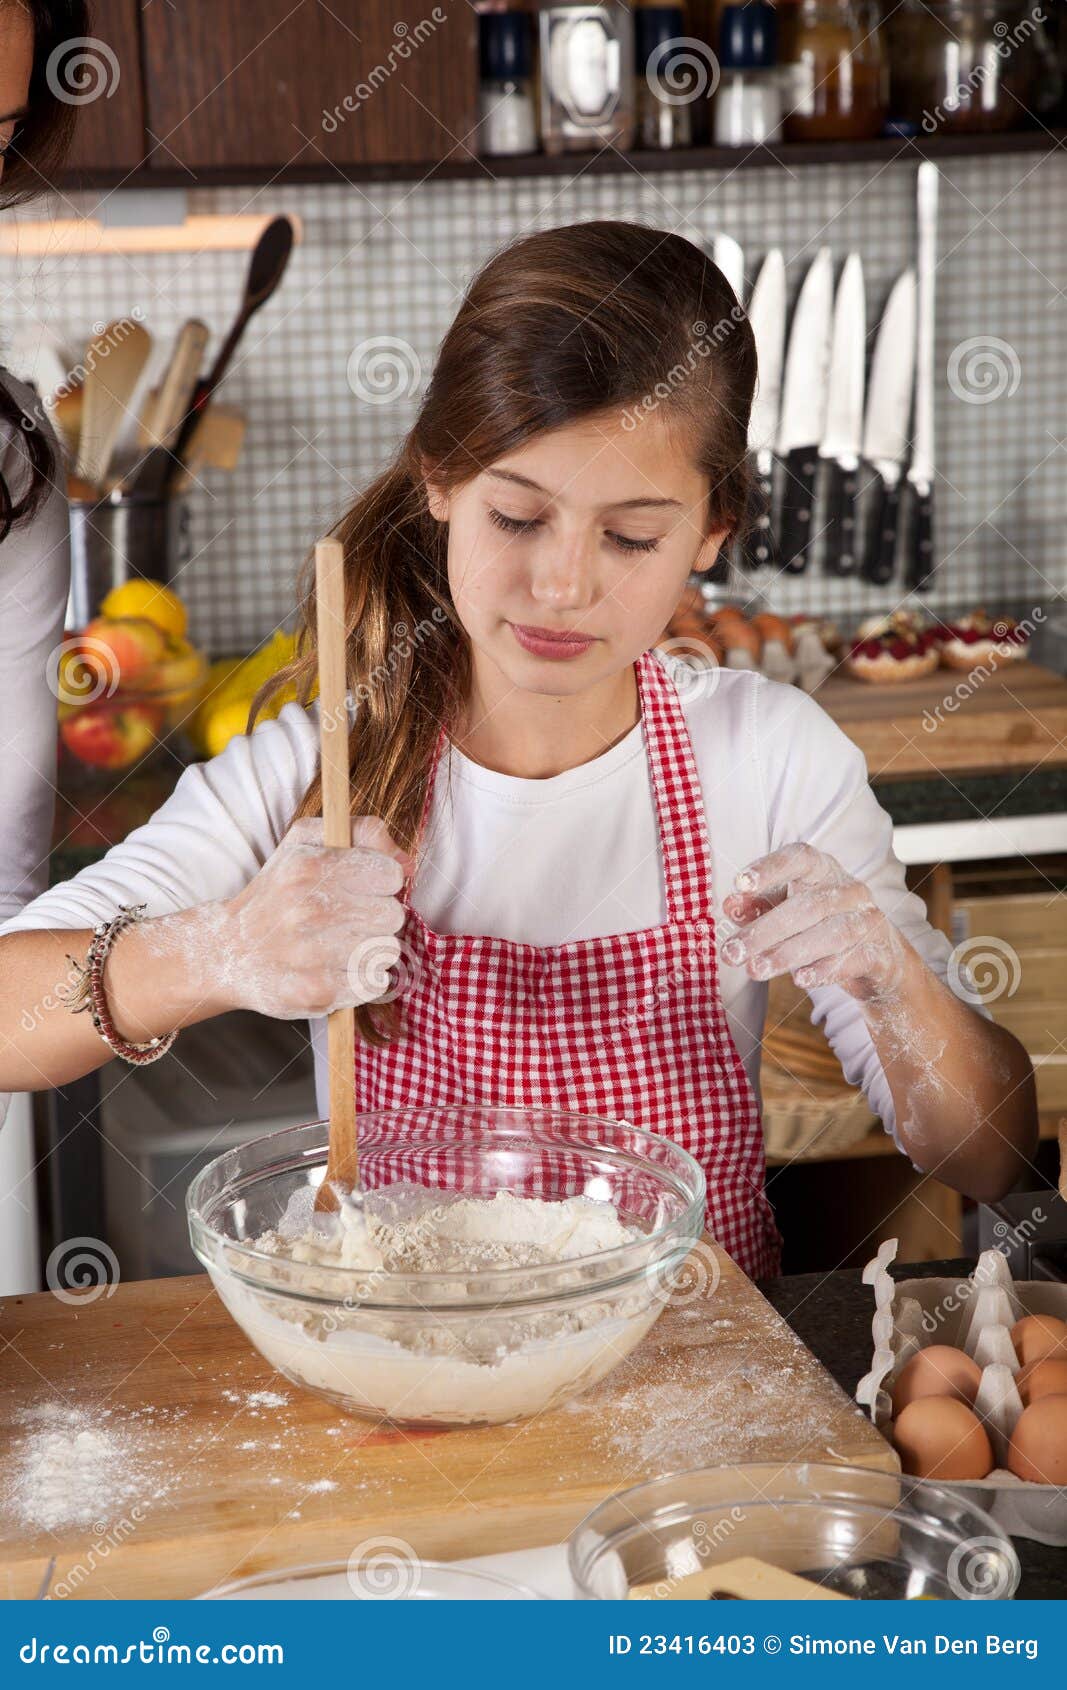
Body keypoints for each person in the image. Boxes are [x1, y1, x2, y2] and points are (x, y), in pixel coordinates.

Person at [0, 220, 1037, 1277]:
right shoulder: (323, 770)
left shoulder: (768, 759)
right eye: (516, 516)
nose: (563, 585)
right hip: (410, 1390)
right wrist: (221, 950)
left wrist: (891, 984)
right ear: (440, 479)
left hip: (697, 1394)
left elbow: (987, 1157)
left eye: (631, 536)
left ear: (713, 530)